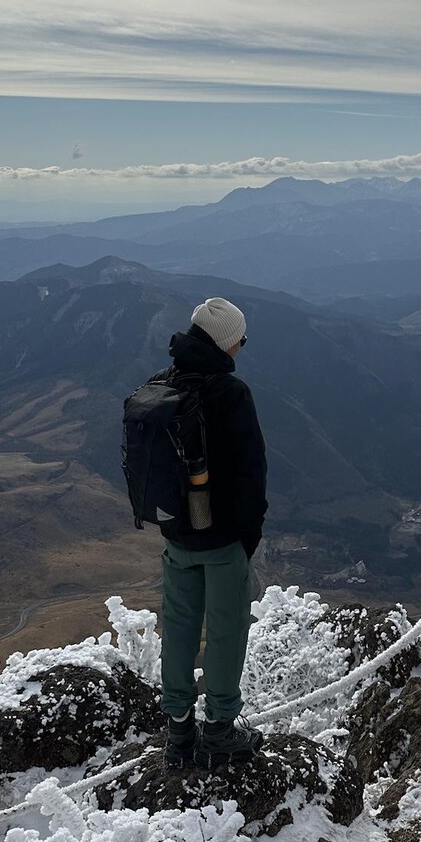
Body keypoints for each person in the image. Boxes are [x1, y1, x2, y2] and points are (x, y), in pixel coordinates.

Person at [159, 296, 268, 768]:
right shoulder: (230, 393)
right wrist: (247, 538)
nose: (242, 347)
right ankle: (220, 729)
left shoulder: (162, 386)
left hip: (175, 536)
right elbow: (252, 473)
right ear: (226, 343)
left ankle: (179, 733)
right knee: (225, 631)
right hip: (222, 539)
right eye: (241, 340)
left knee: (179, 630)